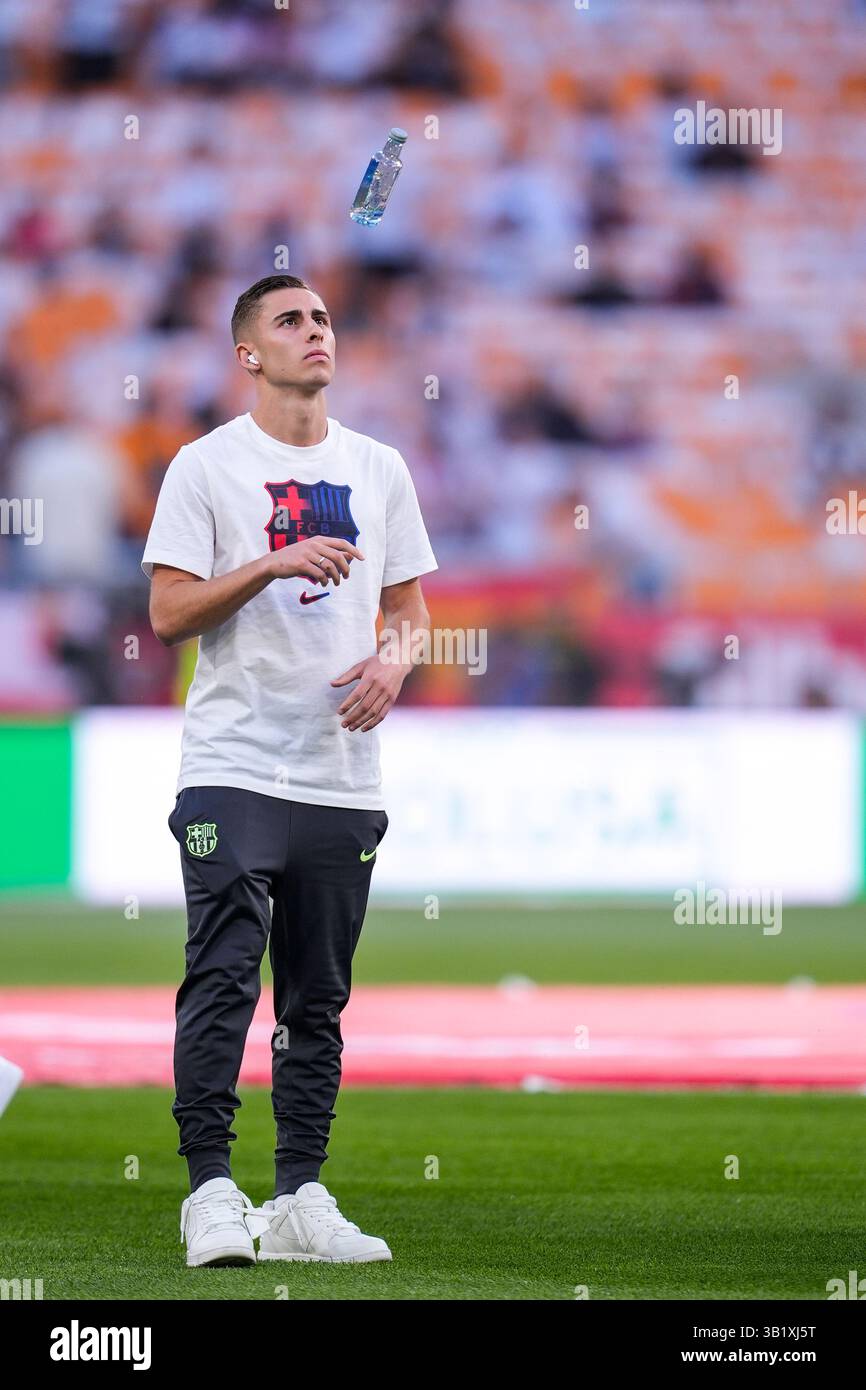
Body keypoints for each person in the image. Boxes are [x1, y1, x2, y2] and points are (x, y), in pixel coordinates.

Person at [141, 273, 437, 1267]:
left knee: (317, 997)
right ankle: (210, 1193)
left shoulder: (380, 466)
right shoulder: (205, 467)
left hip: (342, 773)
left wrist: (394, 660)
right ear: (247, 355)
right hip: (234, 763)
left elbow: (407, 608)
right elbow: (169, 612)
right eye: (289, 320)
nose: (315, 331)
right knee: (222, 978)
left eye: (320, 318)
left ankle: (302, 1194)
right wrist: (268, 563)